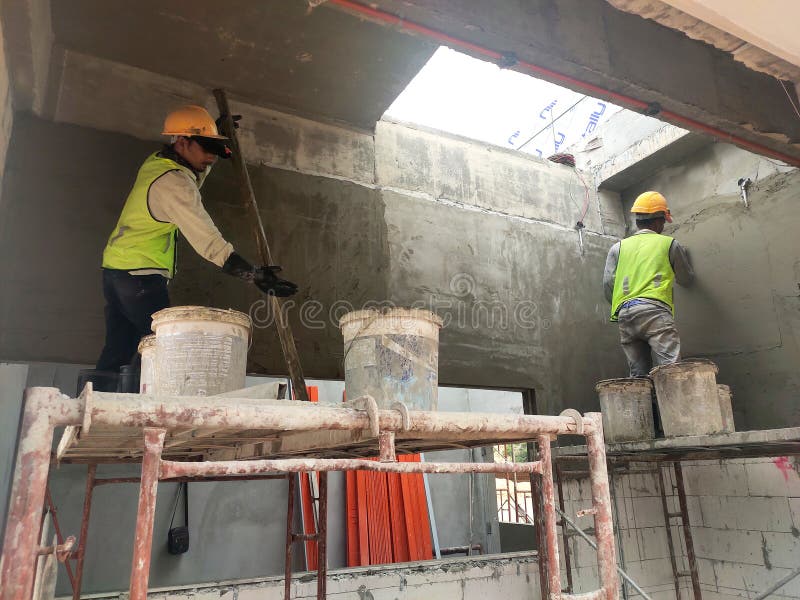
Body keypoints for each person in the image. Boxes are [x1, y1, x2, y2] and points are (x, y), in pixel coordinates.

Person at [95, 105, 297, 376]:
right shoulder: (174, 185)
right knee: (159, 348)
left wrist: (214, 136)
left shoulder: (157, 162)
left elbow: (191, 178)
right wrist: (255, 275)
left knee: (118, 349)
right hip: (139, 277)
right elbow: (209, 242)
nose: (211, 158)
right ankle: (142, 408)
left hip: (116, 270)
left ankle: (95, 404)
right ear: (182, 142)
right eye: (206, 150)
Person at [603, 191, 694, 377]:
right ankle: (672, 407)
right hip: (654, 312)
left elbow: (608, 285)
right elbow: (686, 279)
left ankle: (645, 406)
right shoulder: (669, 244)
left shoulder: (617, 248)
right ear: (657, 221)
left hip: (625, 315)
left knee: (639, 377)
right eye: (662, 222)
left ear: (638, 221)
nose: (663, 226)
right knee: (671, 371)